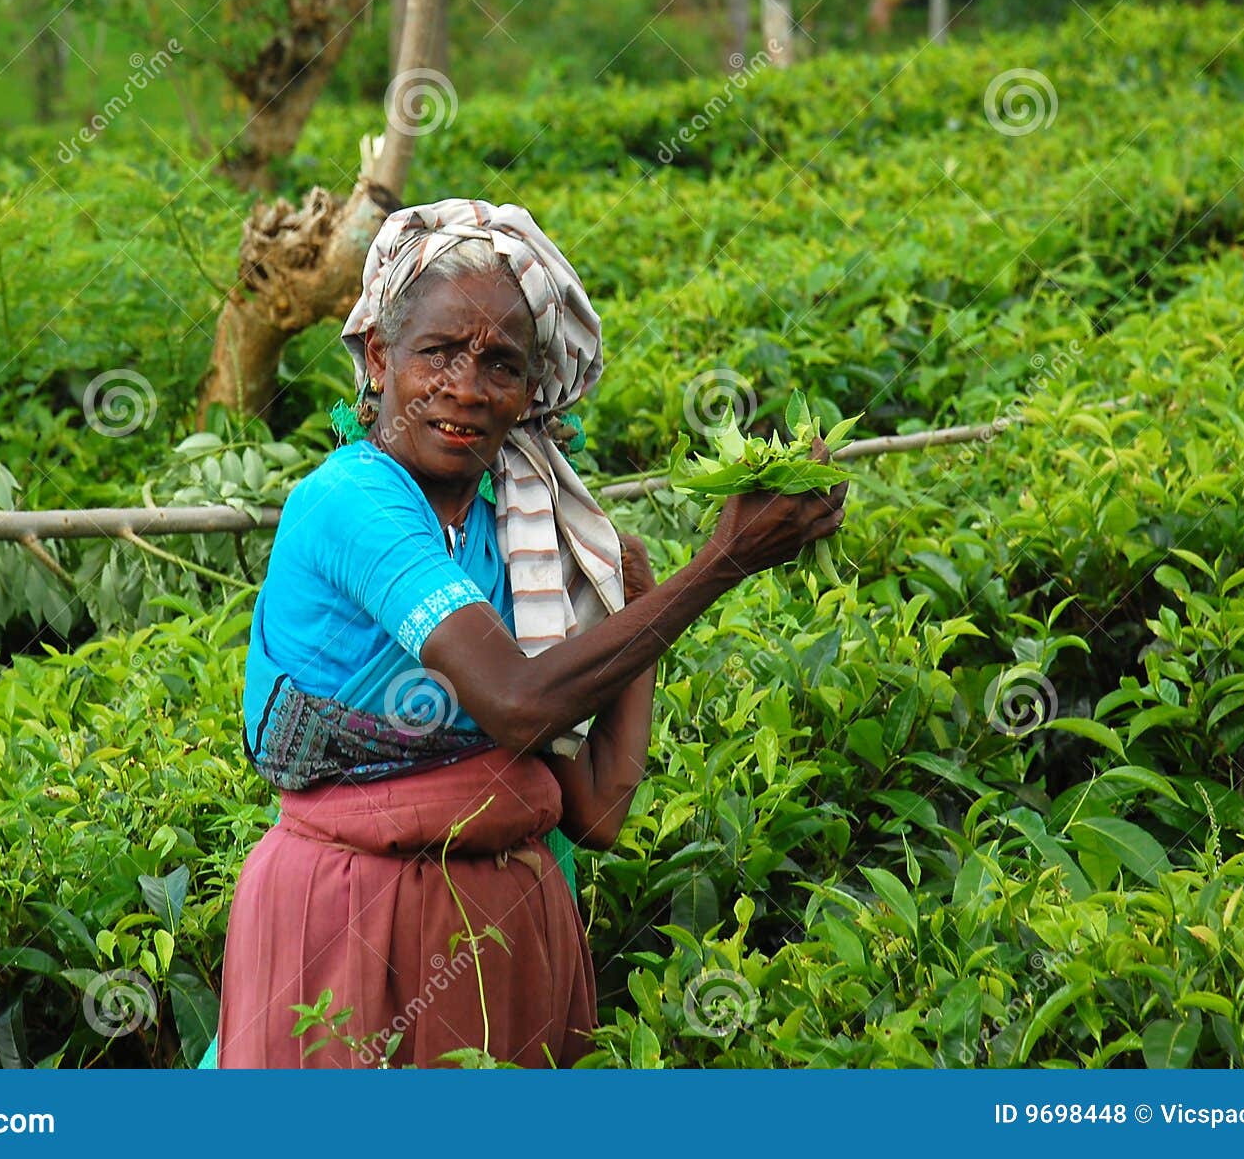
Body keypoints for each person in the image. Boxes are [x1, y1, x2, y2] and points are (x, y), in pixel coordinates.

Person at [212, 198, 848, 1068]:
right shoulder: (350, 499)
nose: (466, 389)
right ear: (377, 357)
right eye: (437, 352)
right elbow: (515, 703)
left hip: (510, 933)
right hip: (352, 922)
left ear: (530, 392)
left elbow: (596, 812)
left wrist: (632, 593)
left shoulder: (525, 536)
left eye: (501, 364)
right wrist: (723, 563)